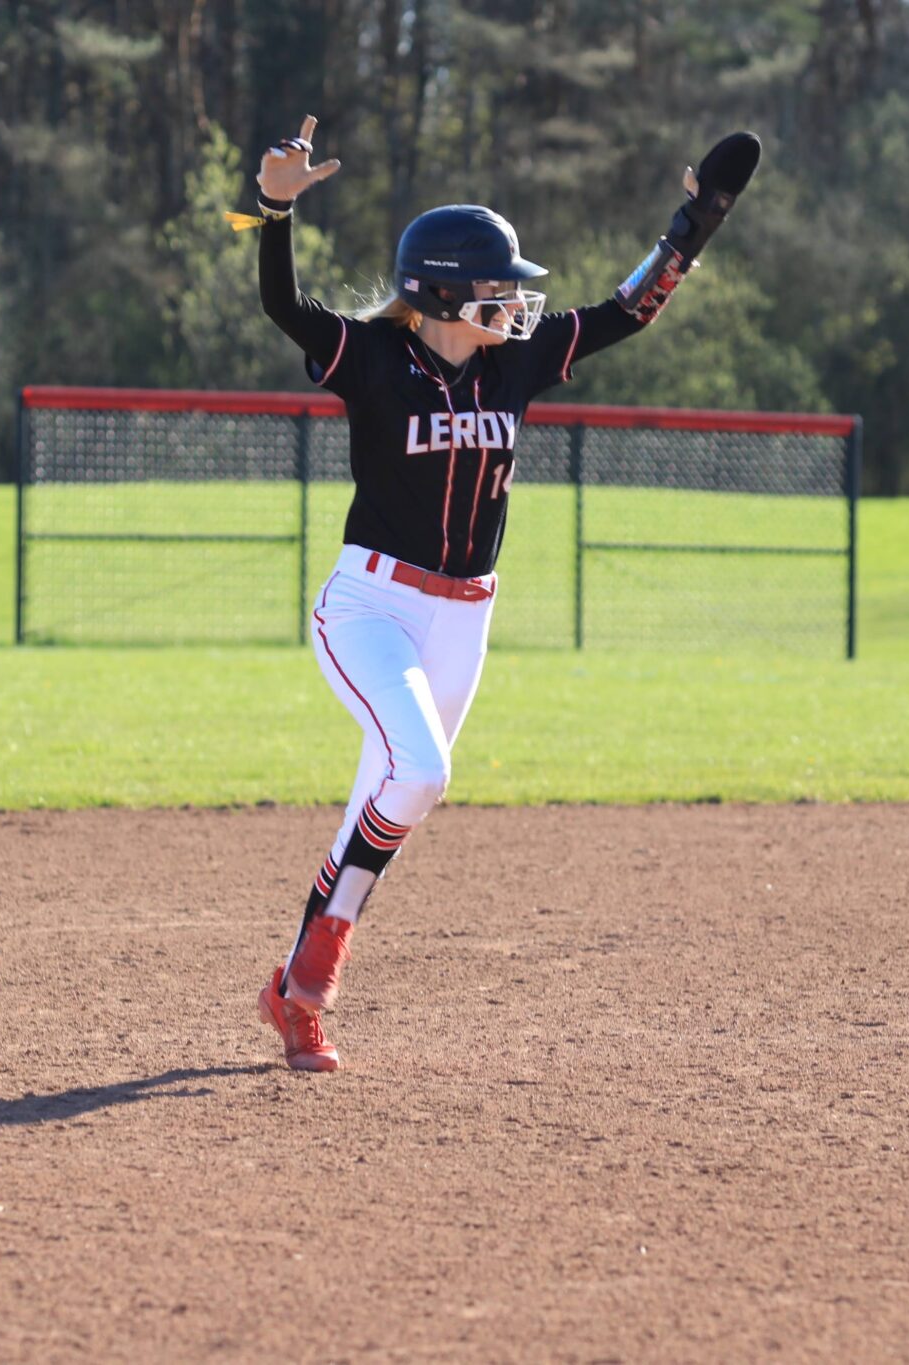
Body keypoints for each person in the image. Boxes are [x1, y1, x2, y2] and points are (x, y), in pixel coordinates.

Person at [252, 116, 760, 1070]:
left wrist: (692, 228)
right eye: (497, 288)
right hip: (370, 608)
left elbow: (628, 310)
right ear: (442, 291)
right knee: (420, 775)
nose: (516, 303)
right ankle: (316, 973)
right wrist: (274, 209)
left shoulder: (514, 361)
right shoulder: (372, 358)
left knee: (386, 798)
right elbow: (285, 304)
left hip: (465, 619)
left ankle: (291, 992)